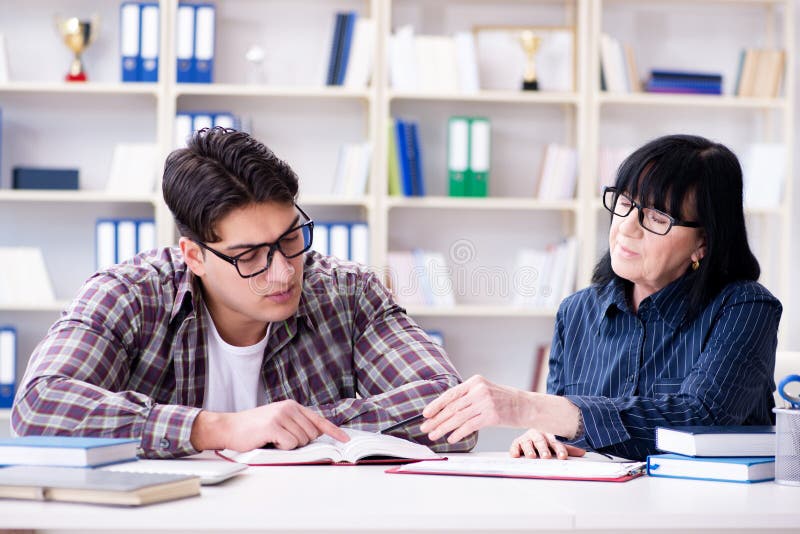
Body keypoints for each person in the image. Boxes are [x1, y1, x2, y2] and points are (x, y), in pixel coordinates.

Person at [12, 127, 476, 458]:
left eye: (291, 239)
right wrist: (218, 428)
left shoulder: (349, 293)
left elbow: (454, 409)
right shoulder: (129, 295)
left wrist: (299, 425)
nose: (282, 273)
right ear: (193, 255)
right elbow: (38, 408)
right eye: (249, 255)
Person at [420, 134, 782, 461]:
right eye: (624, 202)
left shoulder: (745, 308)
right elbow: (563, 430)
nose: (626, 226)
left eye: (656, 217)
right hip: (595, 509)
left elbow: (703, 417)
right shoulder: (576, 312)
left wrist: (531, 408)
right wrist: (544, 437)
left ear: (703, 241)